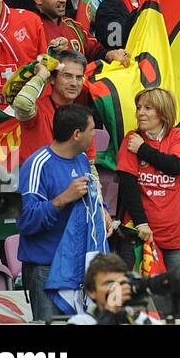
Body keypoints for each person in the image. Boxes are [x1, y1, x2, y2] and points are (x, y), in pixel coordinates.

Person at [17, 102, 108, 320]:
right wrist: (63, 199)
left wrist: (102, 211)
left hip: (77, 267)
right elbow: (26, 219)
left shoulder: (83, 160)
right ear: (77, 134)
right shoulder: (37, 164)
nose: (93, 137)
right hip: (46, 269)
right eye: (91, 131)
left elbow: (91, 193)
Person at [115, 87, 180, 277]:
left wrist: (142, 150)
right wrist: (141, 223)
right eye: (139, 107)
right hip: (139, 232)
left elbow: (177, 166)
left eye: (148, 108)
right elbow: (128, 183)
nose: (140, 113)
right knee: (135, 297)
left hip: (174, 233)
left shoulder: (177, 136)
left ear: (163, 112)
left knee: (176, 294)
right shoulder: (132, 138)